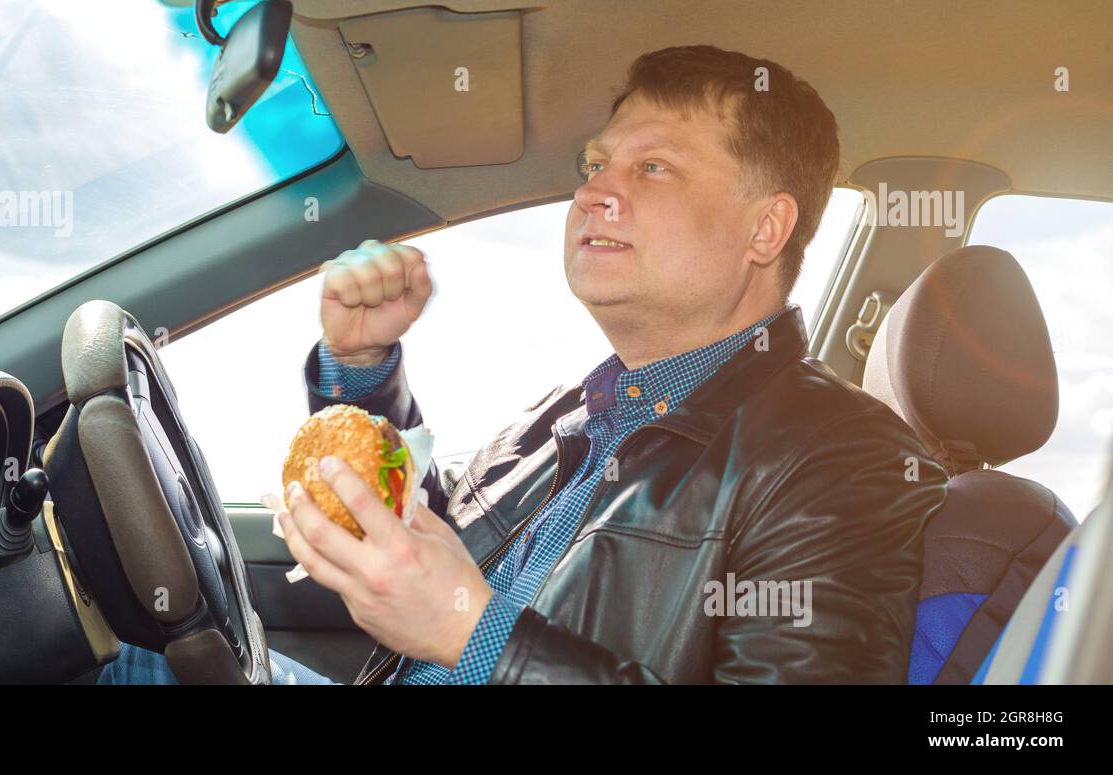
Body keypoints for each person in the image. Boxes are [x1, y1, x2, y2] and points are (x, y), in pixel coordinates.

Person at [102, 44, 947, 686]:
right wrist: (362, 369)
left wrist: (474, 637)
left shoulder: (842, 461)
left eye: (652, 166)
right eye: (595, 165)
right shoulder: (582, 405)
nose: (592, 193)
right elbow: (430, 534)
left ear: (766, 229)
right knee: (113, 654)